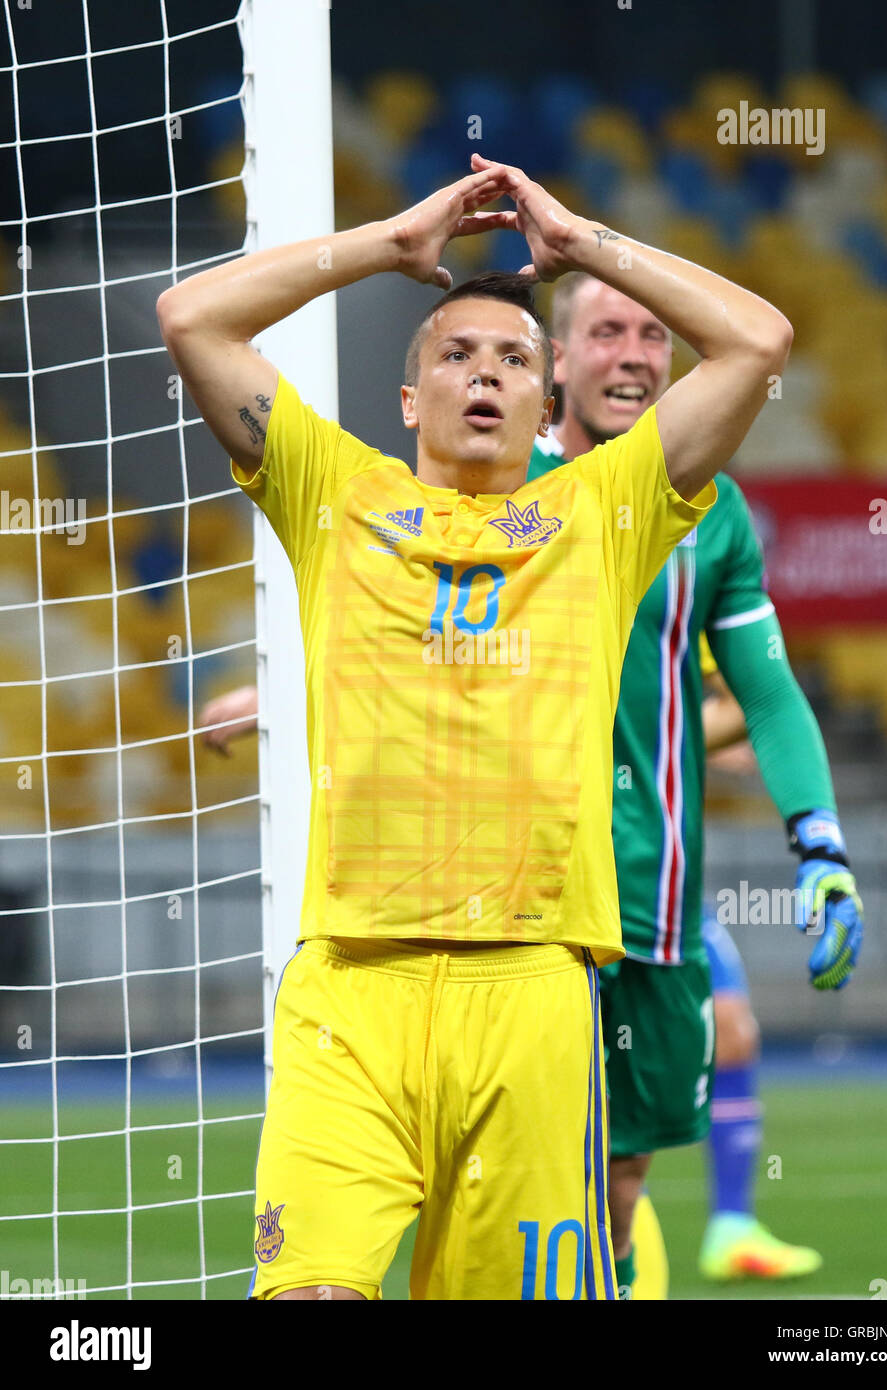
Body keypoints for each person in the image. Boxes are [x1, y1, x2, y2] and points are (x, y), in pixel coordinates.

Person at [158, 153, 792, 1300]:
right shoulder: (330, 492)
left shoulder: (600, 515)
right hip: (352, 988)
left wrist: (580, 241)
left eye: (513, 358)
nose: (482, 374)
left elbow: (756, 340)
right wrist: (387, 245)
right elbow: (189, 314)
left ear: (548, 409)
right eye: (454, 354)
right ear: (410, 400)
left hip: (535, 993)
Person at [527, 272, 863, 1295]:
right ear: (555, 359)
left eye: (651, 335)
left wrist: (820, 843)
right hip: (521, 899)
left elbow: (766, 694)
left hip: (653, 902)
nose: (631, 353)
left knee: (621, 1175)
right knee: (529, 1177)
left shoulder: (714, 517)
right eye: (604, 332)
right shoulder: (498, 481)